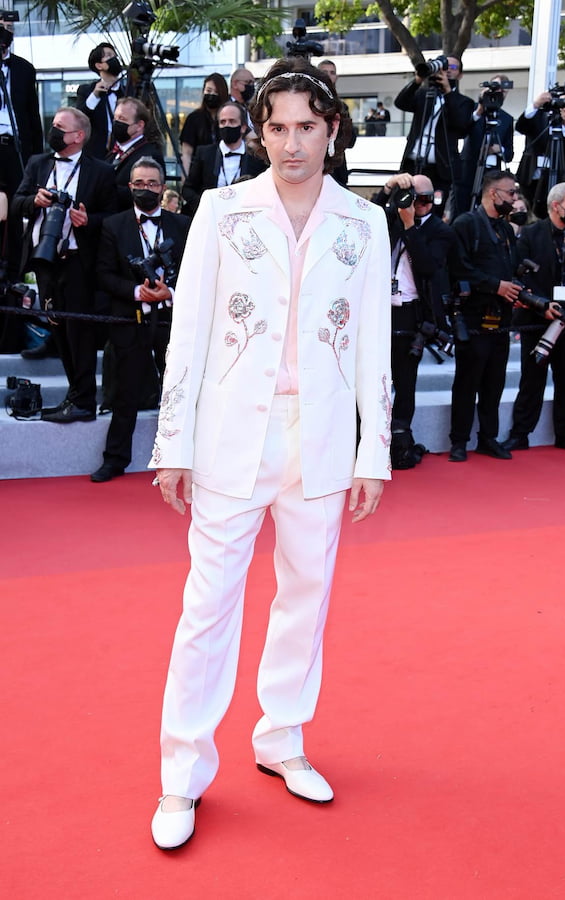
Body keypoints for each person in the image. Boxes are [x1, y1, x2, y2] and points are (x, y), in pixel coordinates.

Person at [148, 55, 391, 851]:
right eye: (278, 128)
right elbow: (188, 332)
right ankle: (181, 773)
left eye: (306, 127)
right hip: (230, 434)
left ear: (332, 130)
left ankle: (282, 737)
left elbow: (375, 344)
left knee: (306, 595)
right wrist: (173, 442)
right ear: (259, 133)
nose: (292, 144)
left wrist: (373, 452)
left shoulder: (364, 221)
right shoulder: (222, 210)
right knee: (208, 605)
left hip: (318, 438)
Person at [12, 106, 118, 422]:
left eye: (60, 127)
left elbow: (112, 217)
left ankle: (84, 400)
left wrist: (88, 220)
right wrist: (34, 201)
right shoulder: (38, 163)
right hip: (44, 259)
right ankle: (74, 395)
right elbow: (17, 203)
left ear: (78, 136)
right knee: (57, 329)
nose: (53, 131)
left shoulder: (101, 171)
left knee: (78, 332)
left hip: (76, 262)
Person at [91, 158, 191, 482]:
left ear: (162, 187)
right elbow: (104, 274)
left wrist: (169, 292)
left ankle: (186, 461)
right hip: (130, 319)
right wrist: (137, 292)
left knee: (179, 393)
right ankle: (115, 459)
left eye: (151, 184)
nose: (145, 189)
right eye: (139, 183)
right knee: (125, 393)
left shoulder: (183, 225)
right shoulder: (114, 225)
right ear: (130, 186)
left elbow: (196, 270)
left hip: (172, 322)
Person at [502, 183, 565, 454]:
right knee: (531, 378)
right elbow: (519, 274)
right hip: (537, 318)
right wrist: (542, 306)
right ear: (555, 206)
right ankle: (520, 434)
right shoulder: (531, 235)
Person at [373, 172, 454, 468]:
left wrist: (410, 226)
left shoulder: (440, 231)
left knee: (405, 383)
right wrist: (388, 189)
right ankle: (369, 442)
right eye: (412, 199)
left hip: (413, 312)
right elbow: (367, 219)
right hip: (381, 310)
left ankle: (400, 444)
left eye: (424, 200)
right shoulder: (390, 221)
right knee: (374, 381)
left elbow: (428, 266)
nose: (417, 205)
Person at [447, 169, 520, 462]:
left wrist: (515, 288)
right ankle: (459, 441)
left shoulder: (506, 230)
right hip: (473, 317)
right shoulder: (466, 224)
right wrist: (496, 286)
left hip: (502, 319)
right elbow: (459, 268)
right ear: (493, 193)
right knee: (467, 382)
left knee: (494, 381)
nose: (514, 199)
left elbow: (512, 267)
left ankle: (488, 438)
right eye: (510, 193)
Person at [0, 8, 43, 352]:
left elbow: (31, 115)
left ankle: (14, 277)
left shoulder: (24, 69)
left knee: (16, 212)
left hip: (15, 148)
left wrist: (36, 159)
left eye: (8, 26)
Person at [394, 56, 474, 217]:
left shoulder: (464, 102)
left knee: (433, 211)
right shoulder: (424, 95)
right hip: (413, 163)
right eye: (445, 66)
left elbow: (461, 125)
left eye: (453, 67)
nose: (448, 69)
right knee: (403, 207)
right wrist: (418, 79)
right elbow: (401, 102)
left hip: (440, 169)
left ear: (460, 75)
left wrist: (448, 91)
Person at [181, 101, 267, 216]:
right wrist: (205, 207)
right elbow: (188, 189)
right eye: (223, 122)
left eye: (232, 121)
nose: (227, 125)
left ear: (243, 127)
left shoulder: (256, 157)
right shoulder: (205, 154)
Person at [515, 88, 565, 216]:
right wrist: (536, 104)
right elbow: (520, 126)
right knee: (530, 213)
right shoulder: (538, 115)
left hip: (557, 177)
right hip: (532, 176)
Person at [455, 74, 514, 216]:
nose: (499, 94)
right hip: (469, 168)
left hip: (492, 171)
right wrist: (480, 109)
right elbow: (462, 129)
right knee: (462, 206)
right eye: (495, 90)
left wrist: (499, 150)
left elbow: (509, 154)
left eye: (503, 92)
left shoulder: (507, 119)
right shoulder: (474, 109)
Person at [105, 97, 165, 210]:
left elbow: (145, 194)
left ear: (139, 125)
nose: (116, 122)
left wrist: (105, 189)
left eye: (122, 119)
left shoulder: (150, 155)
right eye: (115, 118)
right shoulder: (112, 153)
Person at [75, 42, 125, 159]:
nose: (114, 59)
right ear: (99, 65)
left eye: (115, 56)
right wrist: (95, 95)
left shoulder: (127, 91)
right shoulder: (86, 91)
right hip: (95, 156)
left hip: (122, 154)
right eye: (109, 56)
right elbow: (80, 118)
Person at [178, 72, 229, 179]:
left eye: (216, 92)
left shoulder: (229, 118)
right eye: (208, 91)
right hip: (199, 174)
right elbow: (186, 153)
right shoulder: (194, 118)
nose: (212, 95)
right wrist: (185, 180)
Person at [316, 59, 357, 188]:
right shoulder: (308, 104)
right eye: (324, 72)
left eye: (332, 72)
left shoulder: (342, 107)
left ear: (336, 77)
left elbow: (351, 140)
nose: (328, 75)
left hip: (337, 171)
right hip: (314, 168)